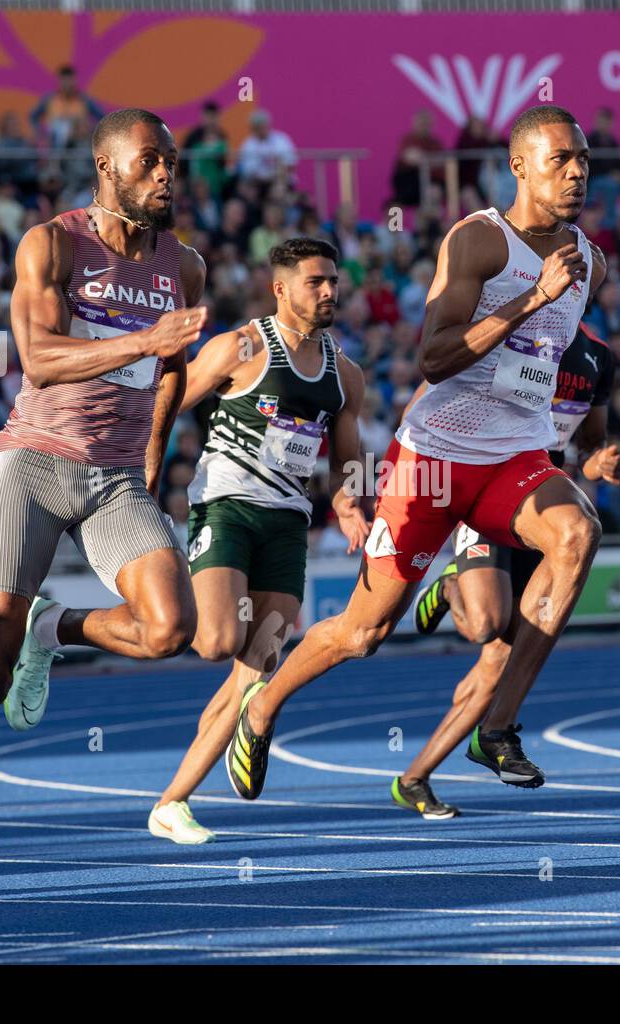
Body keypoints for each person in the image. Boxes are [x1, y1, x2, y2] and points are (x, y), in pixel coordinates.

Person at [222, 105, 606, 802]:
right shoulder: (479, 242)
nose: (578, 171)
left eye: (584, 159)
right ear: (519, 165)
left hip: (515, 454)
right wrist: (528, 299)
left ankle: (500, 726)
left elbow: (546, 361)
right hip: (433, 458)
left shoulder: (590, 263)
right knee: (363, 631)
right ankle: (261, 704)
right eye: (561, 160)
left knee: (578, 532)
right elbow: (433, 355)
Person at [0, 109, 208, 907]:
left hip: (115, 478)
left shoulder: (183, 263)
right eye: (150, 161)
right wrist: (142, 344)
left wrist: (151, 455)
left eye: (172, 162)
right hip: (37, 467)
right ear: (106, 168)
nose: (165, 176)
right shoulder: (51, 242)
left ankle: (54, 626)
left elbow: (175, 372)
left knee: (169, 630)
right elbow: (40, 359)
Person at [146, 238, 370, 843]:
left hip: (287, 527)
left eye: (333, 282)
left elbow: (348, 460)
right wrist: (140, 473)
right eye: (315, 282)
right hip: (228, 509)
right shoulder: (239, 348)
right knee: (217, 642)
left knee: (255, 672)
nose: (328, 292)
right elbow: (163, 402)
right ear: (281, 289)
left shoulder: (344, 375)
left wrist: (351, 506)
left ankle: (172, 803)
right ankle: (92, 620)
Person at [401, 322, 620, 817]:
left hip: (541, 506)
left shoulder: (598, 357)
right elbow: (426, 400)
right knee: (484, 625)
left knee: (497, 662)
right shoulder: (510, 329)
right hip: (488, 488)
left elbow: (587, 448)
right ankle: (453, 583)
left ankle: (414, 778)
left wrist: (600, 464)